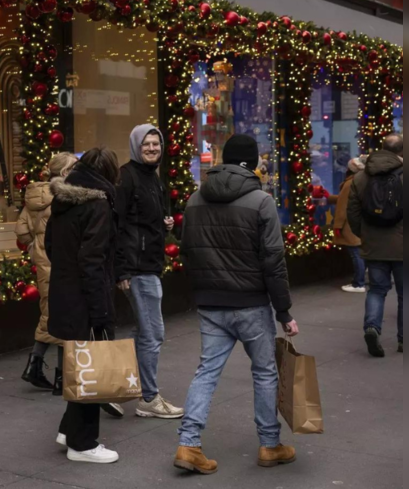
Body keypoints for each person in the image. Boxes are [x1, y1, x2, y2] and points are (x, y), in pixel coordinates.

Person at [175, 135, 299, 475]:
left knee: (206, 372)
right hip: (250, 303)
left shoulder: (194, 198)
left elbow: (186, 250)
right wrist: (284, 312)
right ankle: (270, 444)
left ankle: (189, 444)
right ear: (253, 162)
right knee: (264, 372)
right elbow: (274, 260)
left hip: (211, 303)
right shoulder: (261, 201)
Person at [45, 147, 123, 464]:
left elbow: (51, 246)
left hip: (64, 294)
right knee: (93, 368)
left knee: (81, 367)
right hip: (86, 299)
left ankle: (69, 430)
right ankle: (83, 443)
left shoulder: (63, 201)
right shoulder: (98, 205)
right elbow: (93, 262)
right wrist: (101, 312)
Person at [115, 125, 183, 419]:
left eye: (156, 144)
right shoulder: (126, 176)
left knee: (142, 332)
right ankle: (149, 398)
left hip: (150, 265)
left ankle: (117, 388)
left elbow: (141, 221)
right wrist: (122, 270)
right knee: (153, 333)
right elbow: (116, 226)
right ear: (135, 147)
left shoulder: (152, 177)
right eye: (147, 145)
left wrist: (164, 223)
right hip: (138, 268)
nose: (153, 149)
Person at [16, 152, 78, 391]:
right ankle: (60, 378)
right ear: (64, 173)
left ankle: (35, 366)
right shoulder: (64, 196)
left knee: (51, 314)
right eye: (74, 168)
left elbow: (21, 230)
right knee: (63, 317)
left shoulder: (34, 194)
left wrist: (35, 248)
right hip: (61, 261)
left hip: (44, 262)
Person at [348, 134, 403, 357]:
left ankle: (372, 327)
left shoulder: (361, 177)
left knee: (377, 290)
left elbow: (352, 212)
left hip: (374, 244)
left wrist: (364, 234)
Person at [333, 156, 367, 293]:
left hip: (350, 224)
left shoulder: (349, 183)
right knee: (360, 253)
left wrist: (337, 226)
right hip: (361, 222)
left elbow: (342, 207)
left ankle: (358, 283)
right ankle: (361, 280)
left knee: (355, 254)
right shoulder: (363, 181)